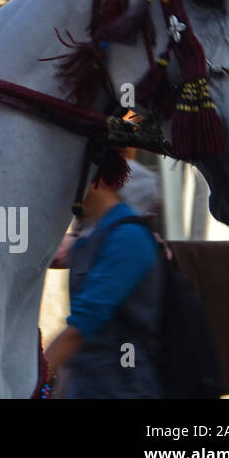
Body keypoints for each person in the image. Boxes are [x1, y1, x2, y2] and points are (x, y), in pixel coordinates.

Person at [45, 162, 165, 398]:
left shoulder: (128, 237)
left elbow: (83, 325)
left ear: (94, 181)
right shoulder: (93, 236)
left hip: (123, 386)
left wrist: (38, 378)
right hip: (90, 383)